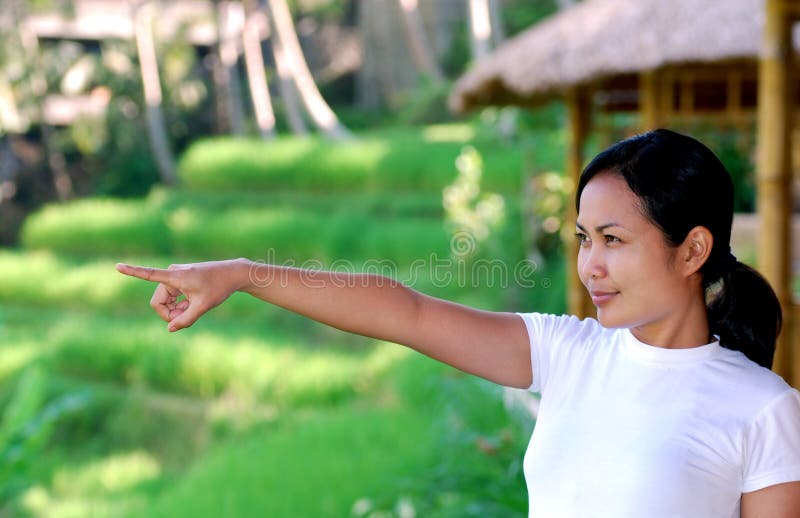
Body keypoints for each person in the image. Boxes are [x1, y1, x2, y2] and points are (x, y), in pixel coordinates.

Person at [117, 129, 800, 517]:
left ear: (694, 249)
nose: (591, 264)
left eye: (614, 240)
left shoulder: (761, 409)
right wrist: (243, 273)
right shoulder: (570, 353)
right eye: (583, 238)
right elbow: (406, 312)